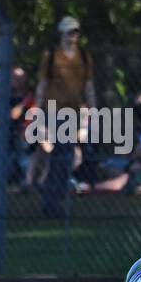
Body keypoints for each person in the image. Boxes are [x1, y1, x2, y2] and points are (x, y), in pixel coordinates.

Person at [35, 16, 96, 216]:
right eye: (70, 31)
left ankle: (53, 198)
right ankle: (52, 200)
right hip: (54, 111)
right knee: (61, 155)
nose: (74, 35)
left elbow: (88, 85)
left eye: (76, 31)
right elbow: (42, 84)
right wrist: (37, 111)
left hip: (74, 113)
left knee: (65, 156)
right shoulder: (52, 55)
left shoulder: (84, 56)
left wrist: (93, 109)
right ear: (62, 33)